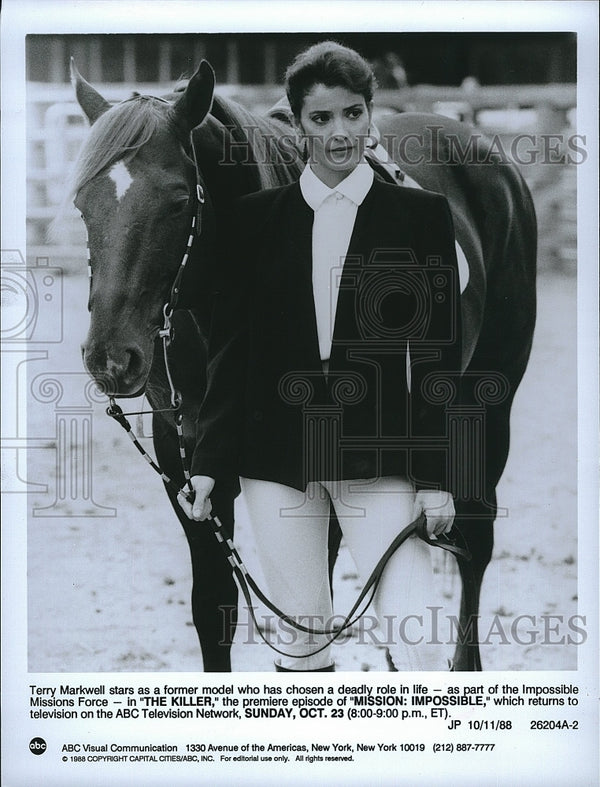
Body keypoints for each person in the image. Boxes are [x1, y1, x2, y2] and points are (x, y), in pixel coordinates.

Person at [178, 41, 462, 671]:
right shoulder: (253, 222)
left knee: (420, 642)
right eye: (322, 118)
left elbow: (439, 360)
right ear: (299, 124)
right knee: (302, 640)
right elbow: (232, 353)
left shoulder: (421, 217)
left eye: (354, 114)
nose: (341, 133)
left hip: (384, 455)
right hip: (276, 457)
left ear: (371, 115)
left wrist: (444, 477)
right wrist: (208, 463)